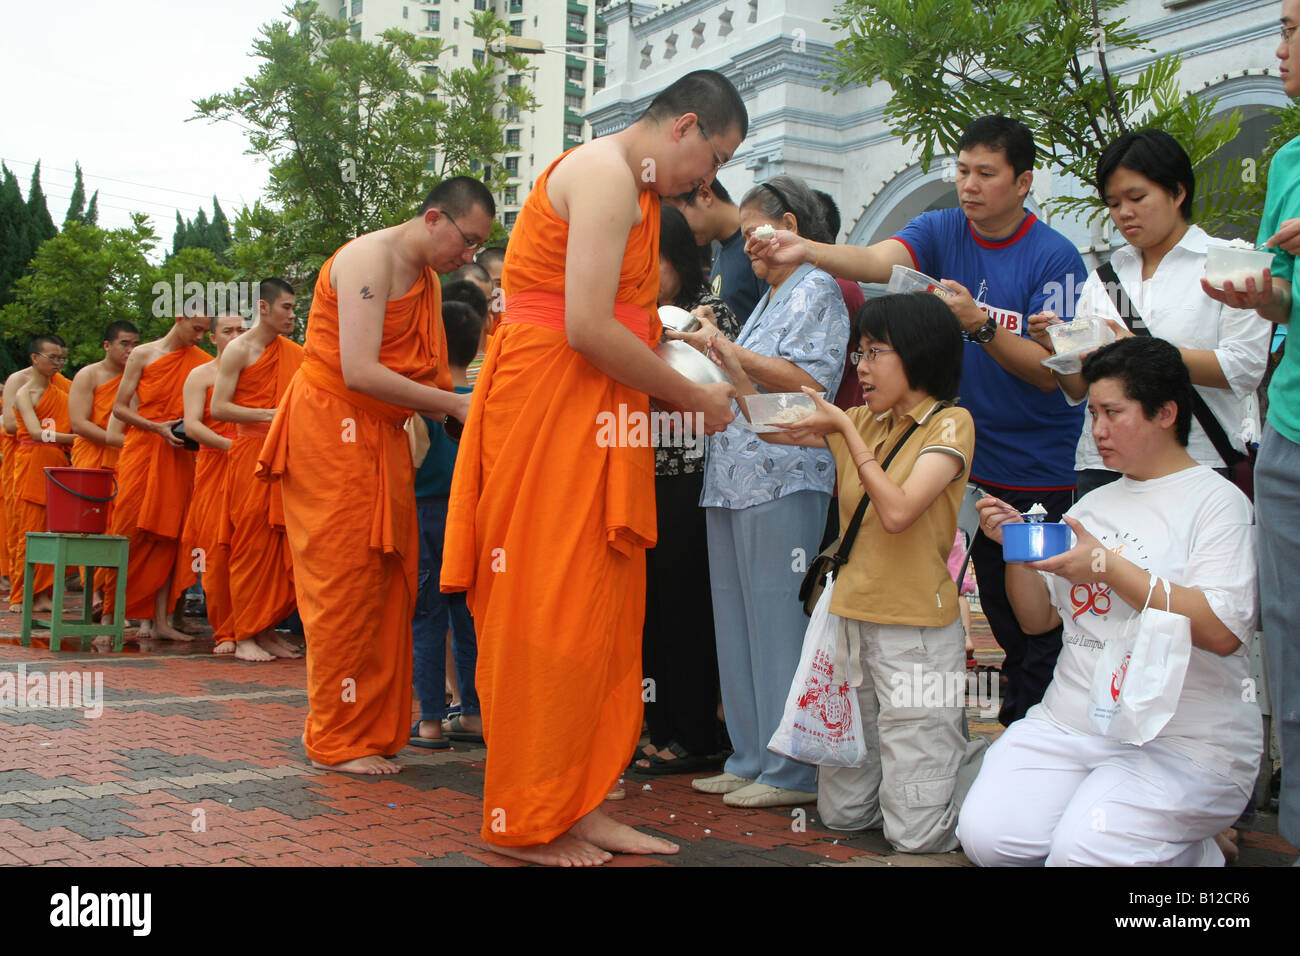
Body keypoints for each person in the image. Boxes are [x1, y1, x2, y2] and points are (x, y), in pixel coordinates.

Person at [441, 69, 743, 866]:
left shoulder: (639, 195)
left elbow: (623, 317)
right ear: (684, 126)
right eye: (711, 158)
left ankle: (582, 799)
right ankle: (526, 820)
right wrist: (691, 398)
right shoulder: (607, 175)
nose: (706, 183)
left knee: (602, 616)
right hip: (551, 407)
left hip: (597, 415)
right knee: (548, 608)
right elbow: (583, 326)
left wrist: (682, 342)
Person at [750, 115, 1088, 727]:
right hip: (938, 446)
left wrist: (979, 324)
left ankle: (1039, 730)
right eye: (962, 171)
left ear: (1024, 181)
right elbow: (878, 260)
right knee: (959, 586)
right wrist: (808, 251)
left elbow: (1052, 373)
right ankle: (984, 733)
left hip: (1031, 466)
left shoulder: (1056, 259)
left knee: (1031, 609)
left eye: (987, 173)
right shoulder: (940, 228)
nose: (969, 185)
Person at [958, 337, 1260, 866]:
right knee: (990, 840)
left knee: (1084, 849)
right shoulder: (1093, 504)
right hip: (1072, 722)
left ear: (1166, 412)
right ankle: (1159, 838)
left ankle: (1194, 850)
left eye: (1112, 413)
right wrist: (1016, 551)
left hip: (1181, 739)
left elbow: (1221, 632)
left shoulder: (1219, 504)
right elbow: (1037, 620)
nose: (1096, 429)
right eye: (1093, 412)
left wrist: (1110, 567)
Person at [721, 292, 986, 851]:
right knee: (842, 814)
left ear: (916, 352)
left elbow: (896, 512)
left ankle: (996, 775)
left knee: (916, 836)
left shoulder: (950, 423)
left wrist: (845, 431)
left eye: (874, 352)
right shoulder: (861, 419)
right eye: (857, 353)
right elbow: (771, 425)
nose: (859, 367)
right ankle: (922, 773)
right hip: (847, 625)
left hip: (915, 628)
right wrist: (729, 363)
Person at [256, 176, 488, 776]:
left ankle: (375, 729)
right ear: (435, 218)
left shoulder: (430, 280)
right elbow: (358, 370)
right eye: (468, 241)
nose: (470, 257)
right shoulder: (367, 259)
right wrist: (457, 405)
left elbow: (430, 377)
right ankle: (336, 737)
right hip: (332, 430)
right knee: (343, 583)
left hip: (383, 441)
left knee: (390, 584)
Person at [673, 175, 849, 808]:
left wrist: (722, 349)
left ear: (793, 226)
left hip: (787, 474)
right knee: (738, 622)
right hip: (733, 477)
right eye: (744, 238)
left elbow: (810, 382)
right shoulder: (774, 298)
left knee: (778, 620)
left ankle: (791, 769)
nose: (748, 248)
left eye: (757, 233)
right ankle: (749, 755)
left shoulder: (817, 288)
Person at [1032, 129, 1270, 497]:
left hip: (1197, 461)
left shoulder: (1229, 263)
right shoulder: (1104, 279)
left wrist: (1139, 353)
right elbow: (1079, 390)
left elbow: (1243, 367)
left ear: (1177, 192)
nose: (1124, 213)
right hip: (1106, 467)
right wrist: (1060, 350)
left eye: (1137, 197)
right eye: (1113, 203)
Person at [1199, 0, 1300, 864]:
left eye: (1295, 29)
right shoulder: (1288, 163)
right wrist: (1263, 297)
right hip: (1291, 431)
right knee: (1289, 633)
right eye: (1280, 28)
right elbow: (1285, 303)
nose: (1281, 49)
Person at [629, 202, 739, 776]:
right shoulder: (626, 316)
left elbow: (728, 387)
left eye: (654, 260)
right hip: (637, 475)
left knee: (686, 606)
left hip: (692, 479)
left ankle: (695, 732)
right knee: (647, 612)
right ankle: (658, 723)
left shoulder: (707, 313)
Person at [102, 312, 214, 639]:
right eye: (196, 328)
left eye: (205, 332)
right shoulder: (142, 355)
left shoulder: (201, 362)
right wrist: (155, 427)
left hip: (179, 453)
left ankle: (161, 620)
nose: (198, 337)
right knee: (127, 531)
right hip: (142, 448)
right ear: (179, 317)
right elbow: (120, 408)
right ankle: (112, 613)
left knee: (171, 535)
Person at [211, 278, 306, 662]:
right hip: (250, 451)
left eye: (294, 308)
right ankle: (244, 633)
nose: (292, 316)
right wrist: (271, 414)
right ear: (263, 308)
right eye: (286, 307)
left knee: (278, 541)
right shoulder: (238, 349)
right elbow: (219, 408)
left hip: (285, 454)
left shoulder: (295, 353)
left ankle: (265, 630)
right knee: (250, 542)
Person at [409, 298, 483, 749]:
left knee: (426, 618)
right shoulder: (479, 398)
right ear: (477, 343)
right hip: (468, 512)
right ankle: (474, 713)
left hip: (424, 512)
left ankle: (432, 720)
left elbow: (411, 459)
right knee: (468, 616)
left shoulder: (423, 398)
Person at [179, 313, 244, 649]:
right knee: (216, 549)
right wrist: (231, 446)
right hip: (215, 462)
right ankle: (226, 630)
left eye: (242, 330)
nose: (236, 336)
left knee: (253, 547)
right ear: (213, 338)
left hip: (252, 467)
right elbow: (192, 425)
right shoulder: (200, 375)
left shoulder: (258, 373)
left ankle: (255, 627)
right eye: (227, 331)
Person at [69, 320, 139, 612]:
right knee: (92, 525)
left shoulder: (137, 376)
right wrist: (118, 442)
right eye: (124, 343)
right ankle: (95, 595)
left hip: (127, 460)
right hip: (94, 457)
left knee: (121, 526)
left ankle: (115, 595)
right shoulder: (90, 375)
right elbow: (79, 423)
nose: (130, 350)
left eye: (135, 344)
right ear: (107, 345)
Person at [8, 335, 74, 613]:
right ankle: (22, 594)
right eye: (53, 358)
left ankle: (44, 593)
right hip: (32, 459)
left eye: (61, 358)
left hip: (57, 460)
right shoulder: (24, 392)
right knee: (29, 529)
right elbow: (36, 432)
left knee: (52, 527)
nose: (58, 364)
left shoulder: (62, 392)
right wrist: (73, 436)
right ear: (35, 358)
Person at [669, 178, 768, 324]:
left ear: (705, 195)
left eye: (679, 217)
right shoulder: (722, 249)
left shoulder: (759, 246)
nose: (680, 229)